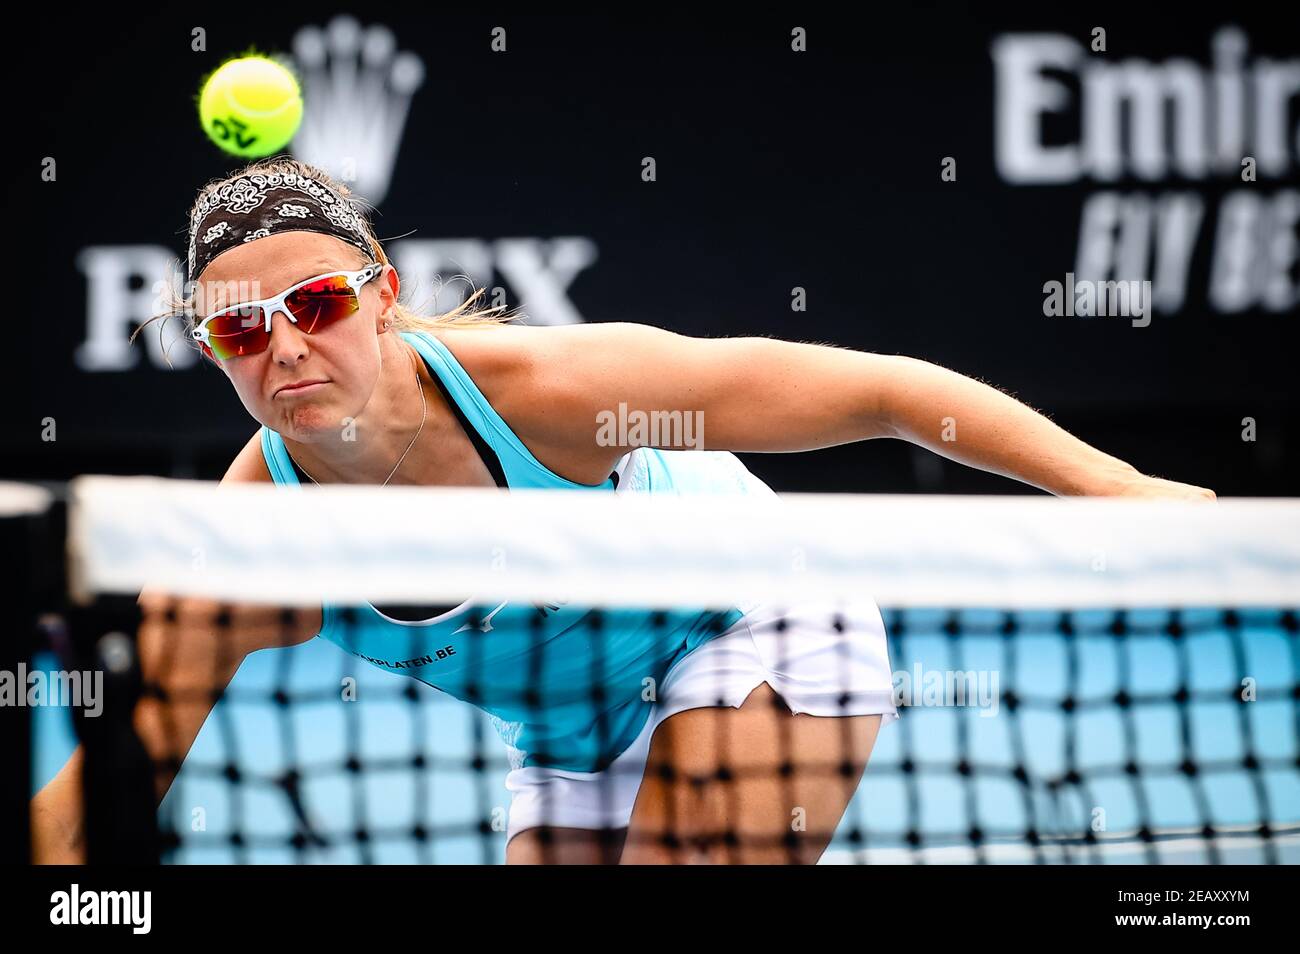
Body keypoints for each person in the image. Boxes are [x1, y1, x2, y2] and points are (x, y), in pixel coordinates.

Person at [31, 157, 1214, 866]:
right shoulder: (246, 555)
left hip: (756, 621)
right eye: (238, 325)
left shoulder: (554, 399)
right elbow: (91, 815)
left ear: (382, 296)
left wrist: (1122, 492)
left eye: (318, 301)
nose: (284, 344)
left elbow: (884, 393)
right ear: (206, 345)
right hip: (569, 743)